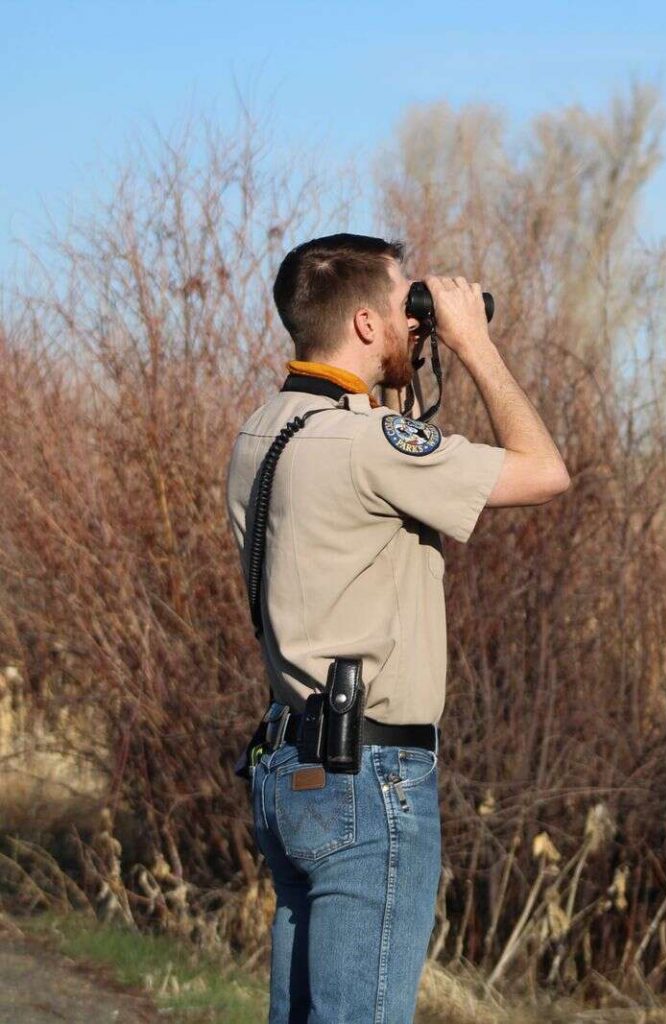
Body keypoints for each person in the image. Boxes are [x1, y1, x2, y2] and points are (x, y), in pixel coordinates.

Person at [225, 233, 570, 1022]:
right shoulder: (366, 446)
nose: (418, 320)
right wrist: (473, 344)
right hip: (367, 779)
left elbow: (378, 467)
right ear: (366, 324)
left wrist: (407, 369)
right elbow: (544, 470)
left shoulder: (263, 432)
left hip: (290, 766)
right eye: (403, 304)